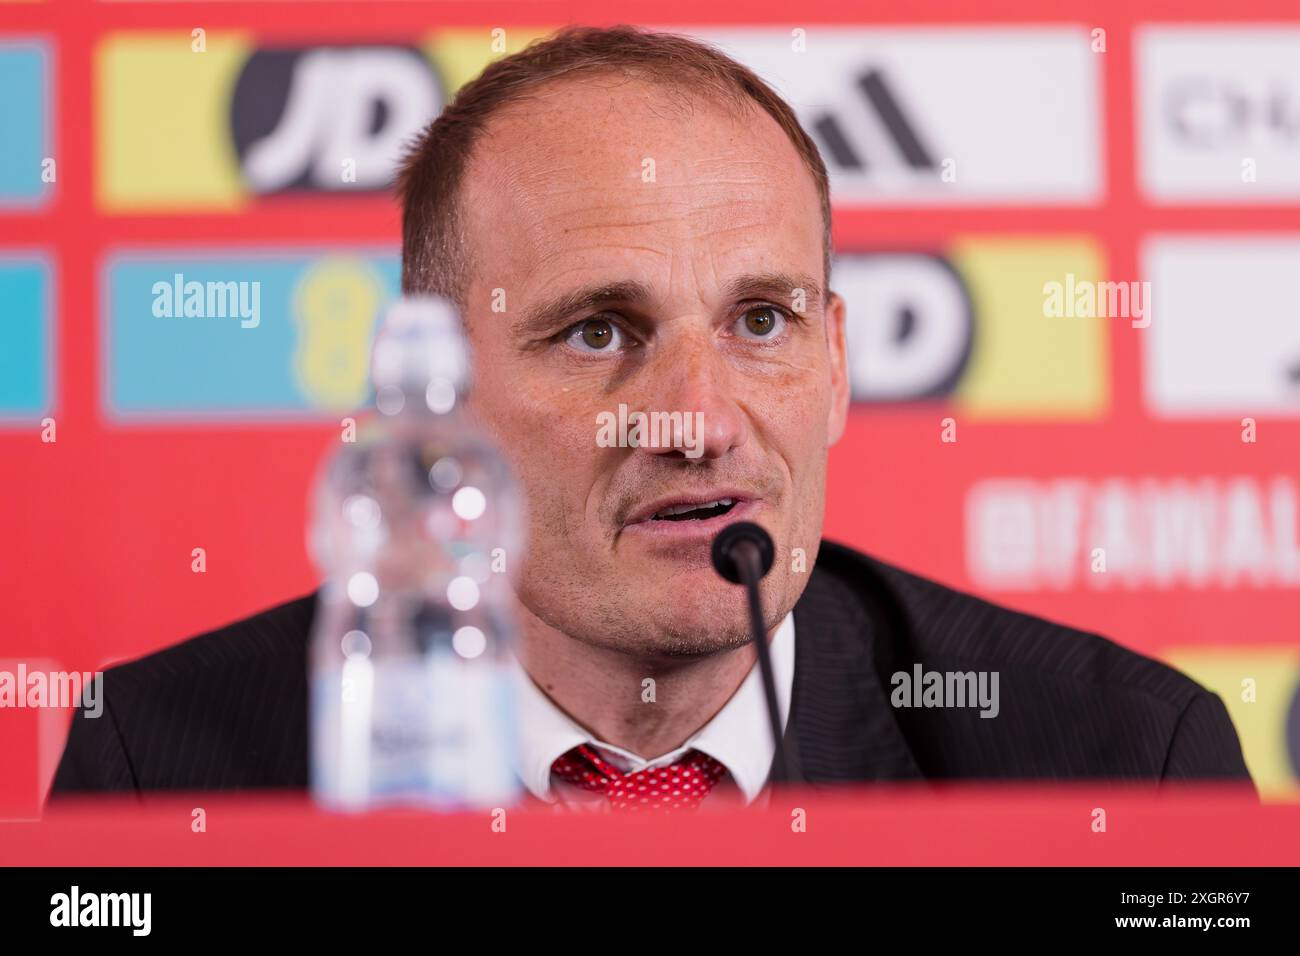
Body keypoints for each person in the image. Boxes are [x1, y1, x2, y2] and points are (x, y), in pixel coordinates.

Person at [51, 25, 1252, 808]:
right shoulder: (166, 766)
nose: (696, 418)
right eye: (597, 331)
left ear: (835, 365)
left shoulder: (1114, 765)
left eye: (762, 322)